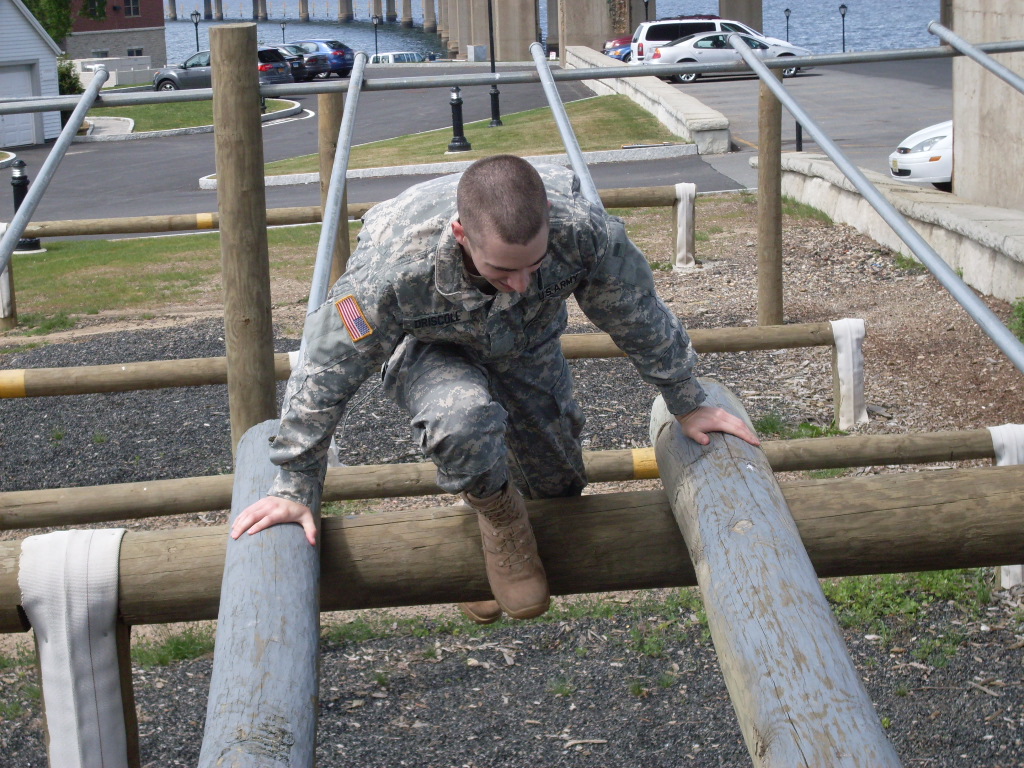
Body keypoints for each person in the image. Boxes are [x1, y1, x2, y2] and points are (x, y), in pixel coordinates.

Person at [230, 154, 759, 624]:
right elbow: (327, 369)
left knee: (557, 489)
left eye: (535, 266)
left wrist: (687, 401)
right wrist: (295, 484)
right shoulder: (392, 273)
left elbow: (636, 313)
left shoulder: (580, 230)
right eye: (504, 270)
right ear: (462, 235)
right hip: (430, 347)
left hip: (526, 341)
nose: (523, 283)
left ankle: (486, 501)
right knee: (461, 420)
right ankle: (499, 520)